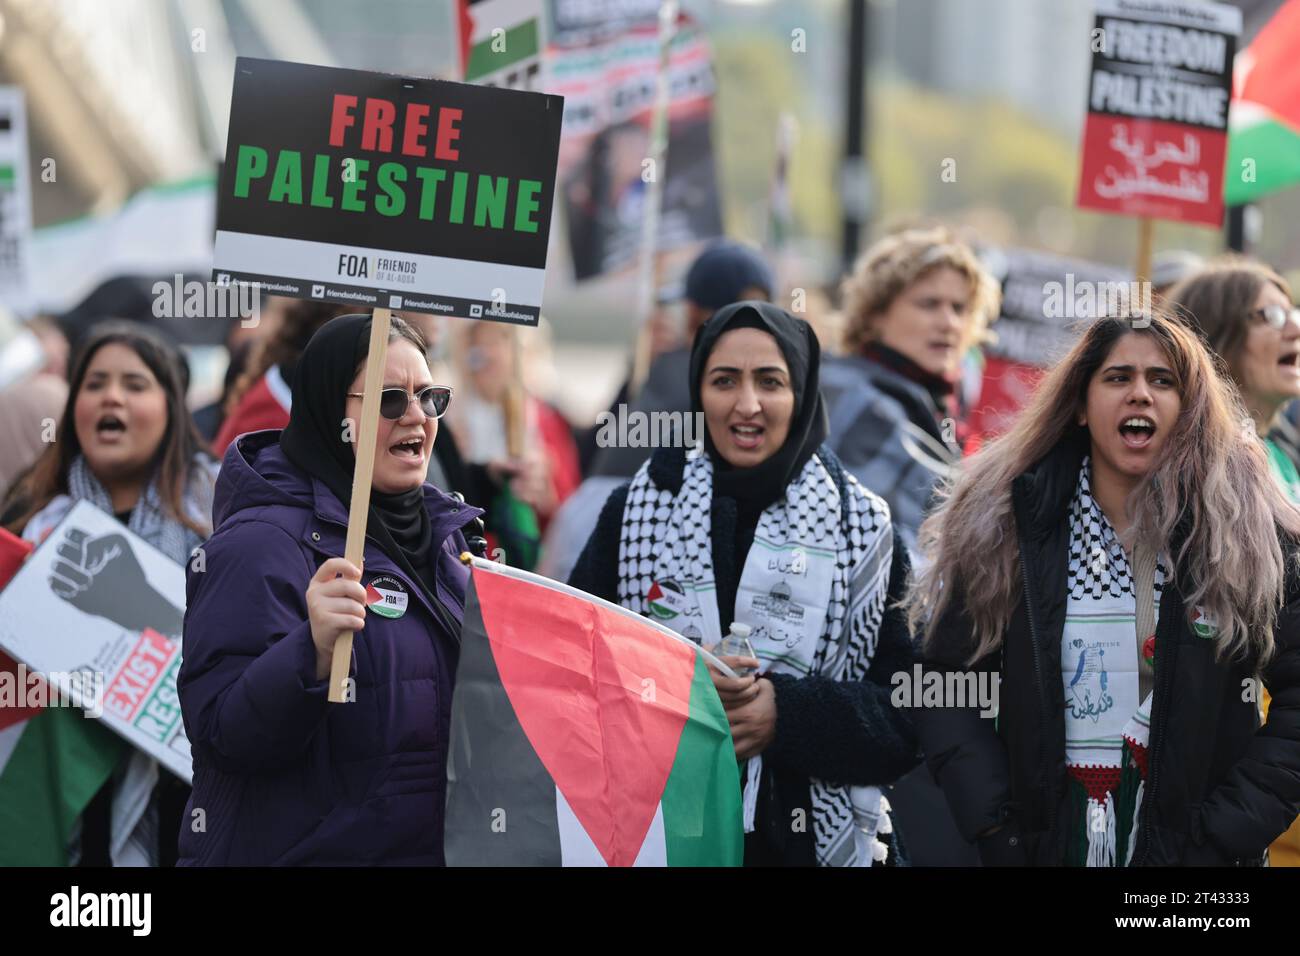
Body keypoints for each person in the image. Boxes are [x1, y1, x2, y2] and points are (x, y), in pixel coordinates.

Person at [905, 310, 1300, 866]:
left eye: (1163, 381)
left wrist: (1220, 835)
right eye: (1118, 378)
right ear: (1081, 406)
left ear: (1188, 409)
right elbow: (942, 683)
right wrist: (999, 828)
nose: (1140, 394)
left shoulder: (1247, 528)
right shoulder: (1009, 522)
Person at [570, 302, 917, 867]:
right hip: (661, 838)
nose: (747, 404)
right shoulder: (636, 509)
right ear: (697, 389)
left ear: (801, 392)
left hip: (812, 846)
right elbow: (574, 671)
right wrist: (674, 683)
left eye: (770, 382)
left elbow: (909, 713)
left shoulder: (863, 527)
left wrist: (787, 714)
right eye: (724, 380)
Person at [178, 314, 481, 865]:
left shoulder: (452, 542)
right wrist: (310, 652)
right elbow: (222, 735)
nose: (415, 416)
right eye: (389, 400)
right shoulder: (259, 545)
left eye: (429, 397)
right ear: (329, 413)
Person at [1, 321, 218, 866]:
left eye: (134, 384)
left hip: (188, 808)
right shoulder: (28, 519)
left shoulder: (223, 518)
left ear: (171, 407)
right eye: (94, 383)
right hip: (59, 794)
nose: (111, 397)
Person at [1165, 259, 1300, 866]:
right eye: (1267, 315)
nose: (1293, 327)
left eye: (1293, 310)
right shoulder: (1192, 472)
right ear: (1215, 338)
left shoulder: (1282, 457)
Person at [823, 226, 1000, 559]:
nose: (949, 323)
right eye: (929, 304)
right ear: (875, 315)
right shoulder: (852, 399)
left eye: (959, 308)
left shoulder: (943, 410)